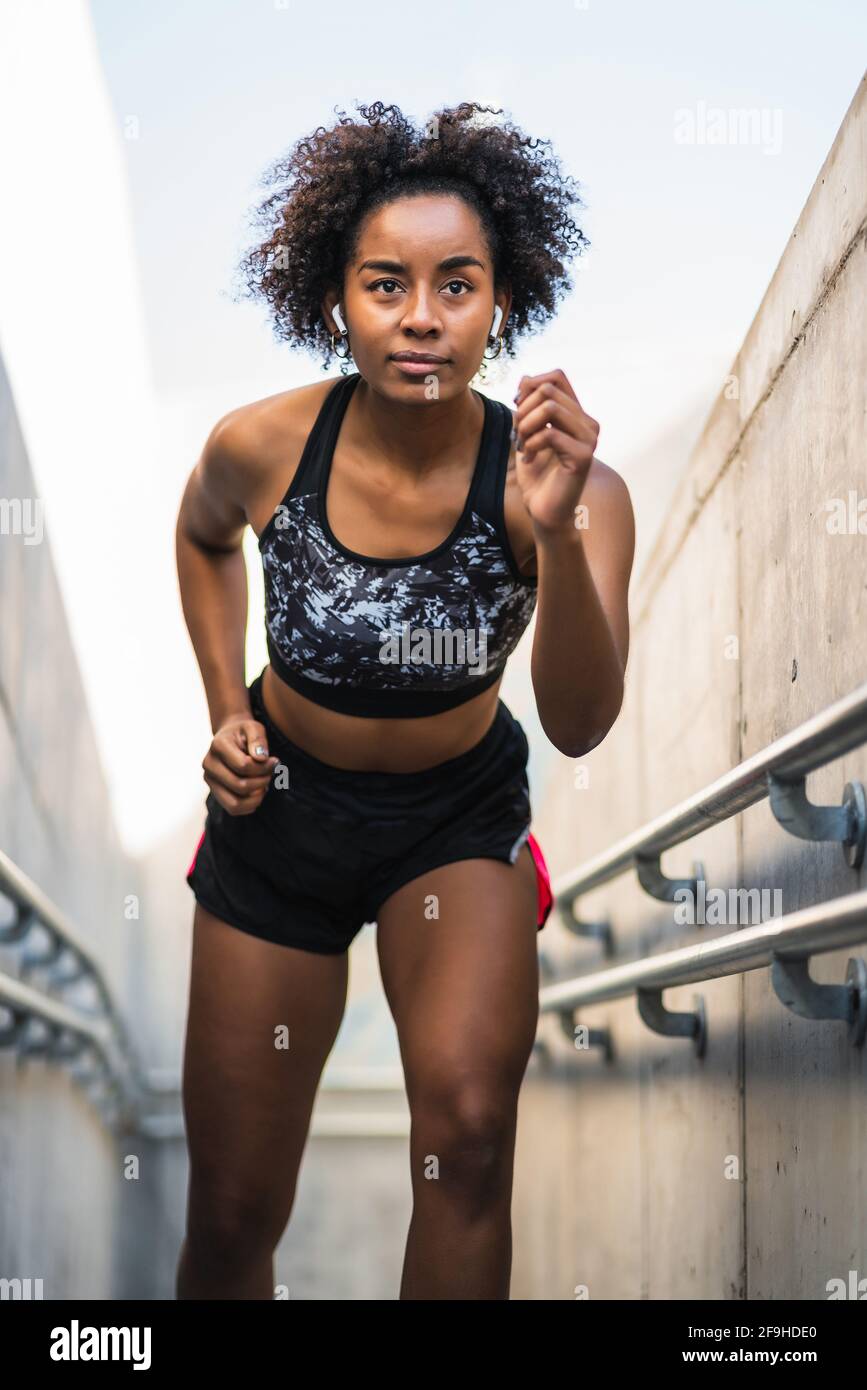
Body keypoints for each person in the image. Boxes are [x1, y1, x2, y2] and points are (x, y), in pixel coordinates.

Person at [175, 100, 634, 1300]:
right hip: (277, 821)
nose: (422, 318)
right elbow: (203, 536)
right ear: (338, 298)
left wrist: (556, 531)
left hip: (454, 827)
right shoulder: (265, 445)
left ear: (502, 300)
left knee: (471, 1138)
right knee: (230, 1210)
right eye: (387, 284)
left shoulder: (569, 482)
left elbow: (581, 720)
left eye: (457, 285)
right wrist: (227, 706)